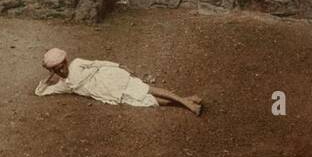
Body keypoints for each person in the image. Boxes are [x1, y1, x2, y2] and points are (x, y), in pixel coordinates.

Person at [34, 49, 203, 114]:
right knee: (147, 101)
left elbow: (98, 63)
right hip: (110, 93)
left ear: (66, 61)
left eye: (62, 65)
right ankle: (187, 100)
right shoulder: (64, 85)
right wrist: (49, 75)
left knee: (147, 90)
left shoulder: (77, 63)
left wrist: (120, 65)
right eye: (57, 69)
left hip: (111, 79)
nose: (62, 69)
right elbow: (40, 92)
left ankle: (188, 104)